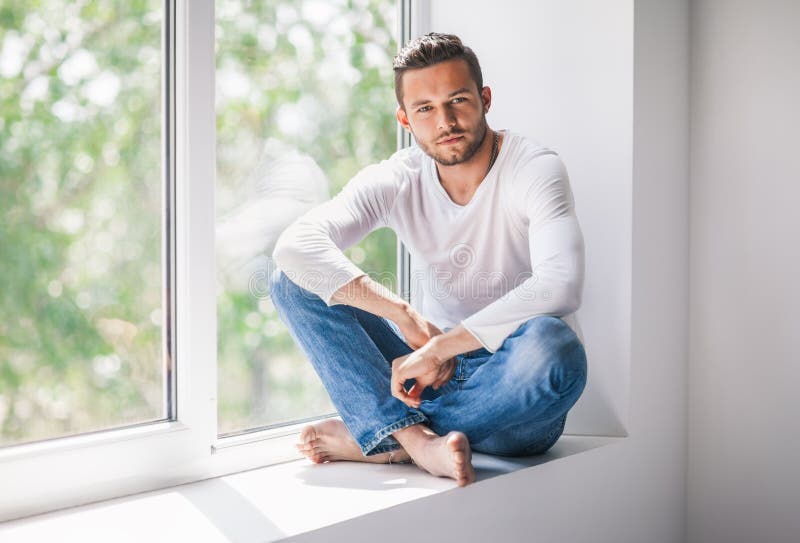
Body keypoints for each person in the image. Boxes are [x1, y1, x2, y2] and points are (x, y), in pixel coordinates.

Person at [270, 33, 588, 487]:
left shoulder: (534, 168)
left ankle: (383, 435)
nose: (445, 121)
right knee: (290, 280)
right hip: (422, 377)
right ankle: (417, 443)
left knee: (556, 350)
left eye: (458, 100)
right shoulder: (398, 177)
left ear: (484, 99)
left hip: (511, 393)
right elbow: (296, 245)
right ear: (405, 118)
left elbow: (562, 284)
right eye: (425, 109)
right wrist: (402, 315)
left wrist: (442, 346)